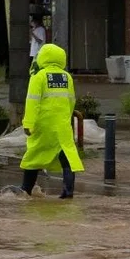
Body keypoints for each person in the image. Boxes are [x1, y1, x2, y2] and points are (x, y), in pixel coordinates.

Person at [18, 42, 81, 199]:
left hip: (43, 125)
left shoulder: (38, 77)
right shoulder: (67, 77)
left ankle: (26, 190)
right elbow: (72, 101)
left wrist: (28, 124)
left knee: (34, 156)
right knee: (67, 157)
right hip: (62, 125)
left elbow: (32, 102)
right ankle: (68, 192)